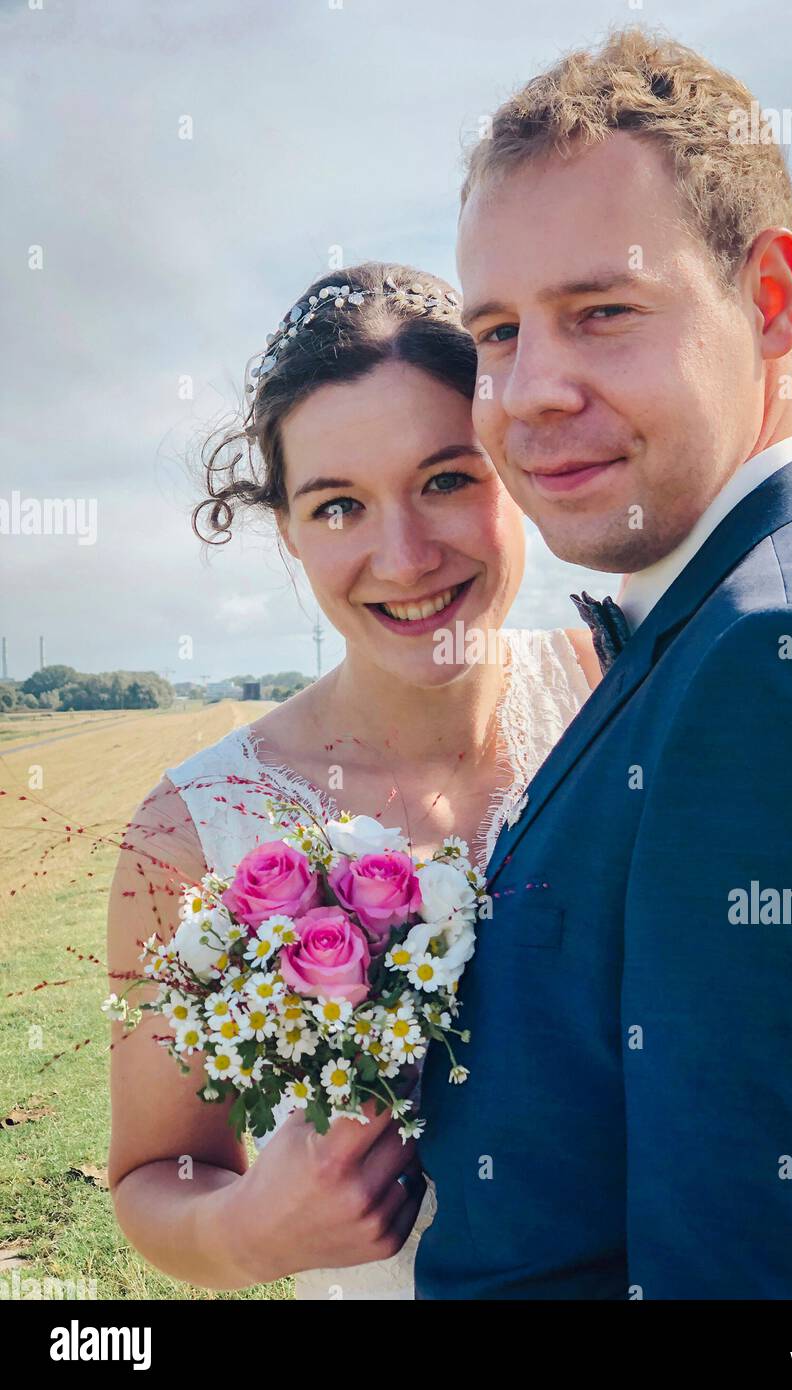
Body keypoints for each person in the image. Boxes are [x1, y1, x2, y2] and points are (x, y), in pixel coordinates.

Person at [415, 28, 792, 1299]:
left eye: (601, 312)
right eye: (496, 331)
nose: (527, 390)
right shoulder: (752, 609)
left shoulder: (787, 663)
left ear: (769, 297)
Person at [106, 261, 599, 1299]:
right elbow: (155, 1173)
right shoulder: (192, 830)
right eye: (337, 507)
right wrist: (246, 1229)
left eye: (447, 478)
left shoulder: (623, 688)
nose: (405, 555)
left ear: (510, 462)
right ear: (286, 528)